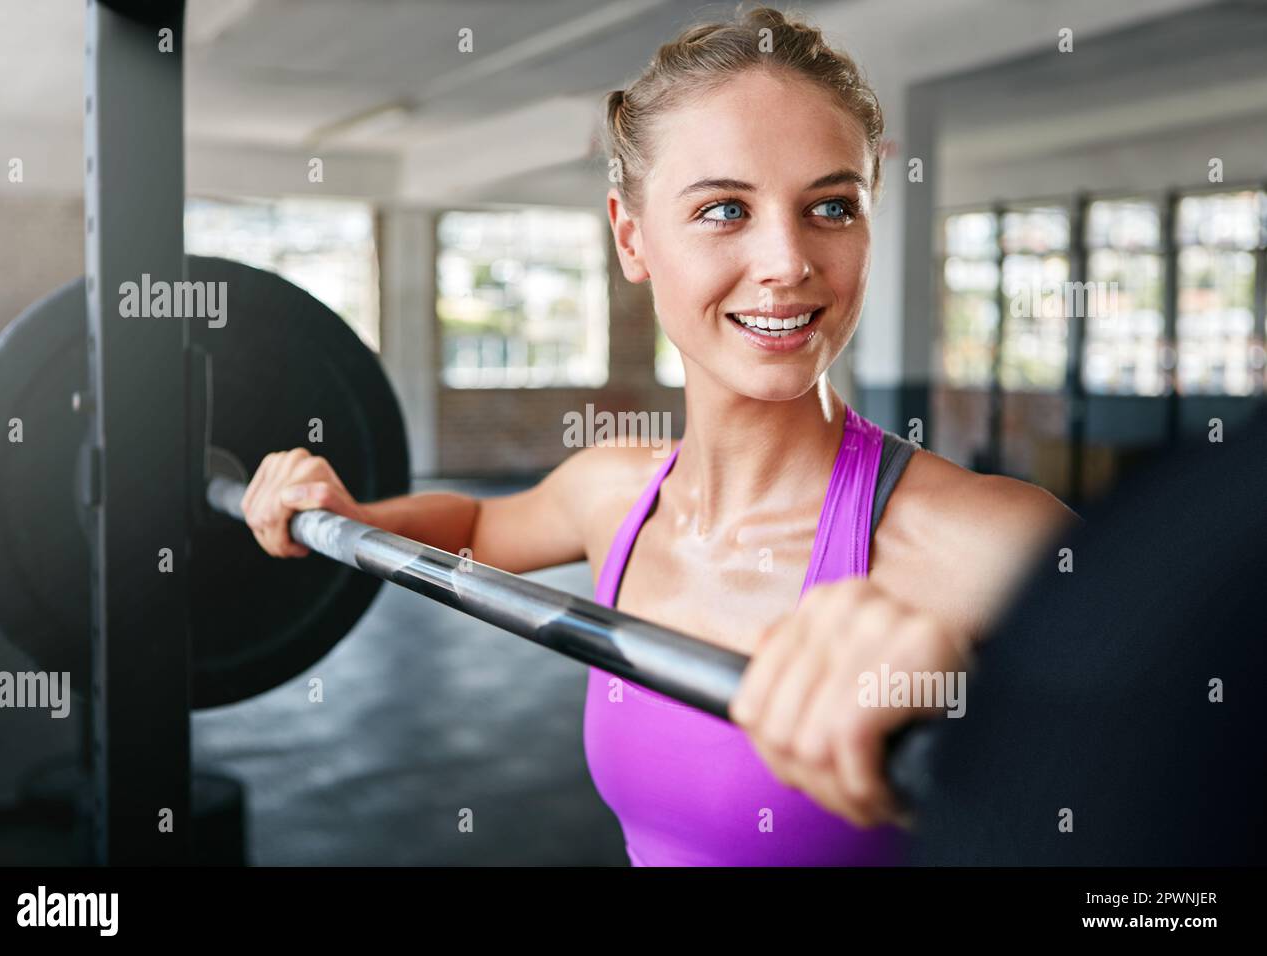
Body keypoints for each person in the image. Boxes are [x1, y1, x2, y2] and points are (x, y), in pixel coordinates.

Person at [240, 6, 1075, 866]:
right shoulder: (613, 490)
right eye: (724, 210)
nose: (788, 261)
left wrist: (979, 729)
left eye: (831, 206)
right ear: (632, 237)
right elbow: (480, 530)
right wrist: (348, 513)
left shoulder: (992, 543)